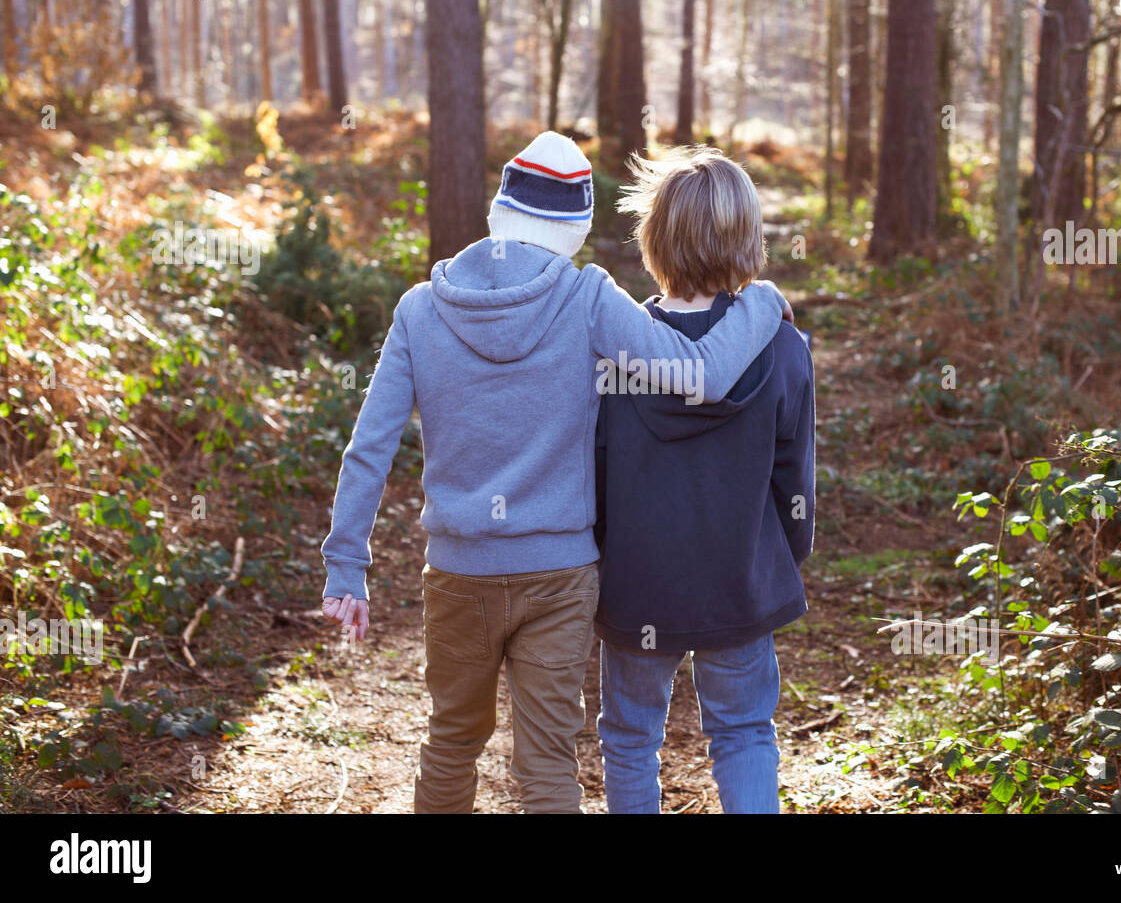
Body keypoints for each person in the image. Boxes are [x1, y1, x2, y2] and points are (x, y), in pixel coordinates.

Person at [318, 131, 791, 814]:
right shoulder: (587, 297)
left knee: (451, 740)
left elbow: (370, 445)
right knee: (547, 762)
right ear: (575, 229)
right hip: (561, 576)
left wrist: (345, 565)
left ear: (499, 213)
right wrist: (761, 302)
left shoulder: (420, 309)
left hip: (458, 575)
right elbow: (703, 374)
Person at [594, 146, 816, 814]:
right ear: (745, 239)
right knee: (744, 732)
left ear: (654, 237)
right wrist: (783, 559)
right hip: (739, 581)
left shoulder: (615, 345)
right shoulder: (782, 349)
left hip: (637, 584)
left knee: (630, 739)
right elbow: (794, 478)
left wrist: (601, 565)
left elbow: (593, 469)